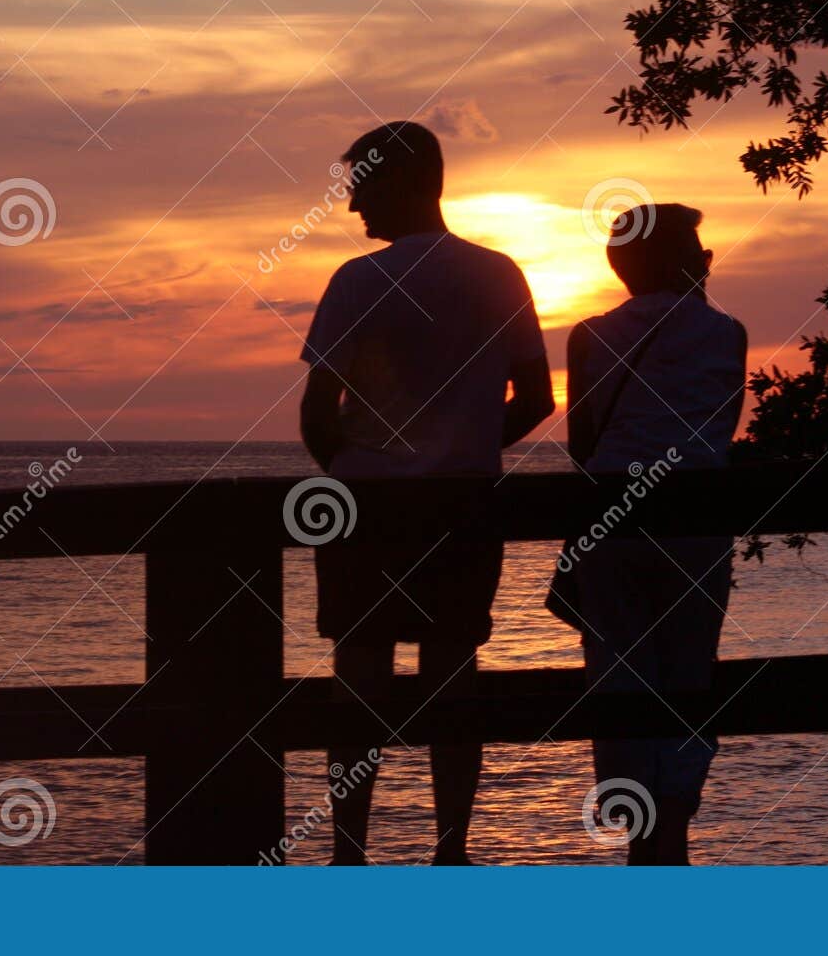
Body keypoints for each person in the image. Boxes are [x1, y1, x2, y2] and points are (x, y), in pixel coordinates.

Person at [299, 120, 554, 865]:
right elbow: (538, 399)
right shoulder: (499, 273)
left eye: (362, 187)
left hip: (367, 509)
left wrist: (360, 468)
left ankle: (349, 853)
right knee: (452, 672)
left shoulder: (356, 280)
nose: (353, 206)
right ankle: (452, 851)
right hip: (463, 503)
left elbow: (317, 411)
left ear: (403, 183)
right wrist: (466, 448)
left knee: (359, 677)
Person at [564, 203, 746, 865]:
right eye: (699, 251)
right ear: (683, 260)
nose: (707, 262)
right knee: (689, 676)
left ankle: (641, 842)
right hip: (697, 524)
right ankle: (673, 839)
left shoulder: (589, 336)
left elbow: (583, 444)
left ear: (622, 265)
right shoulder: (729, 333)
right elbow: (721, 428)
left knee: (618, 677)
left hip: (614, 527)